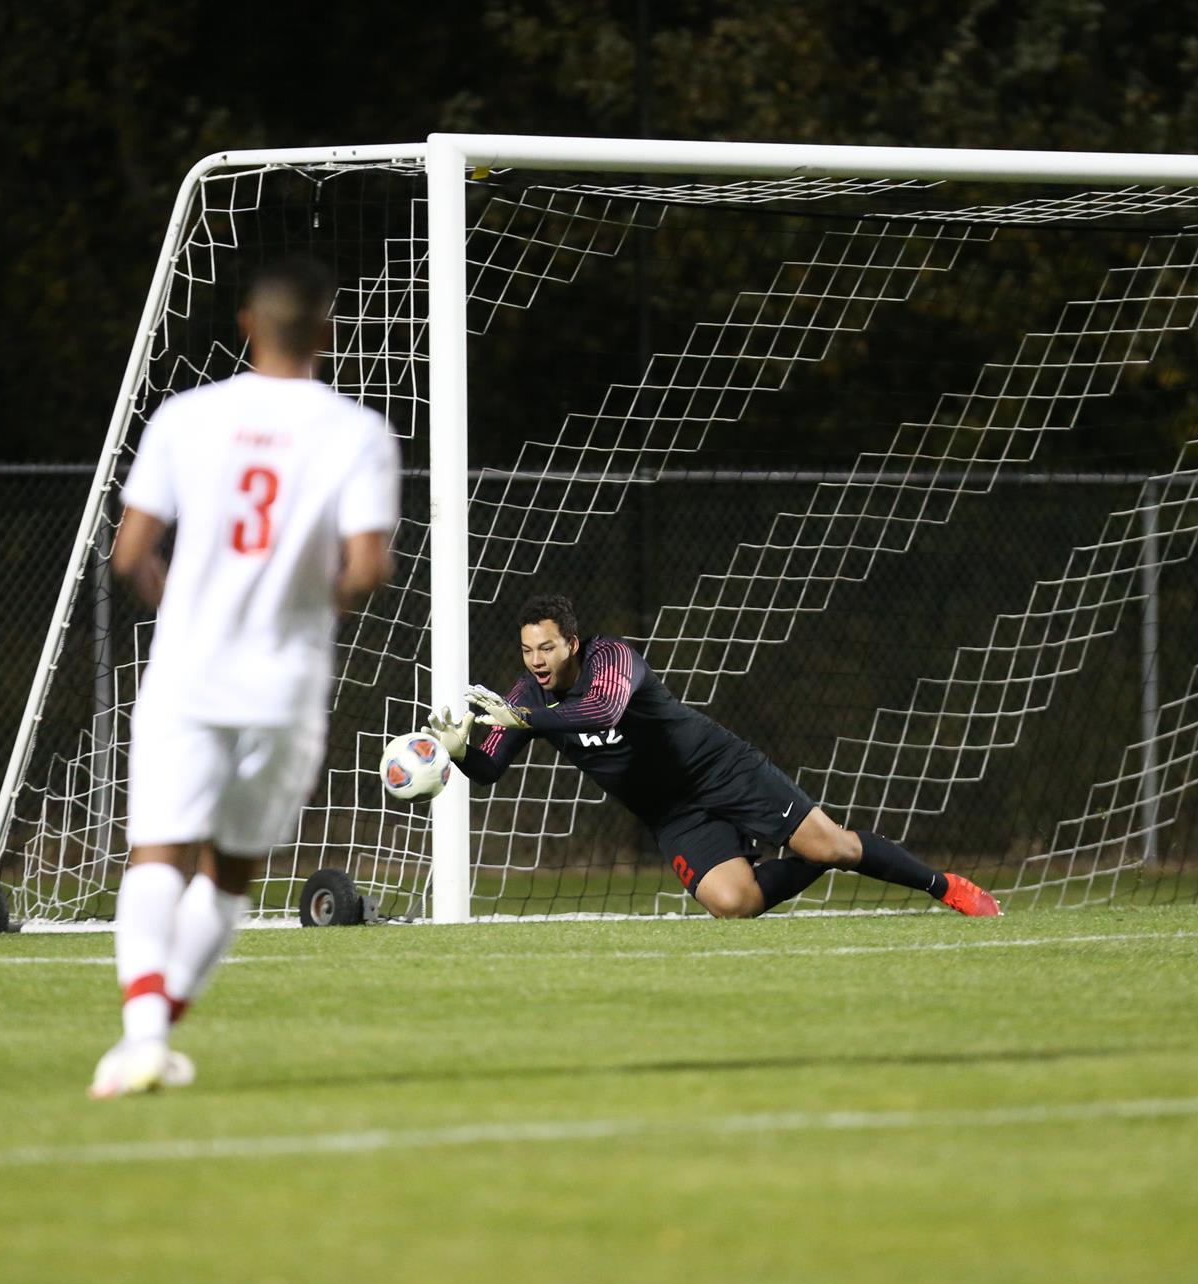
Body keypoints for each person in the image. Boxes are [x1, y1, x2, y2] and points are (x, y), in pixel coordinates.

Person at [89, 255, 400, 1099]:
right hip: (285, 683)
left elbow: (129, 552)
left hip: (188, 672)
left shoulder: (187, 416)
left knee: (157, 854)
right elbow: (369, 565)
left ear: (246, 326)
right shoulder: (357, 431)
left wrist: (186, 607)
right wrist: (309, 608)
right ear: (328, 334)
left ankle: (143, 1034)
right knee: (230, 868)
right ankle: (155, 1035)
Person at [426, 593, 1001, 920]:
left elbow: (601, 711)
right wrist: (459, 755)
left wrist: (524, 719)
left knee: (839, 846)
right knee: (734, 903)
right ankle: (808, 857)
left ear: (572, 643)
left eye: (546, 647)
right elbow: (491, 771)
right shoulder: (526, 698)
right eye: (527, 650)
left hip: (719, 769)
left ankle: (944, 886)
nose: (536, 660)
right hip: (673, 814)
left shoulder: (613, 660)